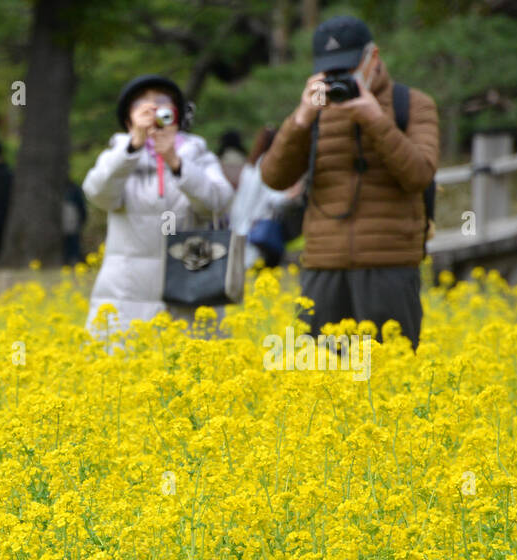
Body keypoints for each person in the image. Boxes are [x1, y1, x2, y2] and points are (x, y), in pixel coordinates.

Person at [260, 15, 438, 350]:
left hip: (390, 266)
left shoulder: (411, 104)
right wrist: (300, 120)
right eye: (331, 71)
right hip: (323, 267)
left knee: (391, 380)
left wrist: (376, 120)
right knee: (323, 384)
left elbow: (419, 176)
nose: (340, 77)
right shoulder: (313, 112)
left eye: (347, 67)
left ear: (373, 57)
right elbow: (273, 177)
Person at [82, 74, 233, 336]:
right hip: (127, 295)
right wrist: (132, 149)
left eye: (162, 102)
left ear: (177, 114)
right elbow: (98, 194)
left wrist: (176, 163)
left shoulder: (198, 154)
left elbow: (218, 203)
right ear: (128, 118)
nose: (152, 109)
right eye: (141, 103)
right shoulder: (117, 156)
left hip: (190, 290)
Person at [230, 126, 297, 269]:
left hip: (240, 227)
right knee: (256, 271)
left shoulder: (250, 166)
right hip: (259, 231)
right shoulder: (270, 167)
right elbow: (276, 200)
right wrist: (295, 192)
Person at [62, 179, 87, 264]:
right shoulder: (73, 188)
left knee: (73, 242)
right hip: (68, 221)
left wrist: (82, 219)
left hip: (72, 220)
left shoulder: (73, 189)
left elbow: (81, 207)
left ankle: (74, 260)